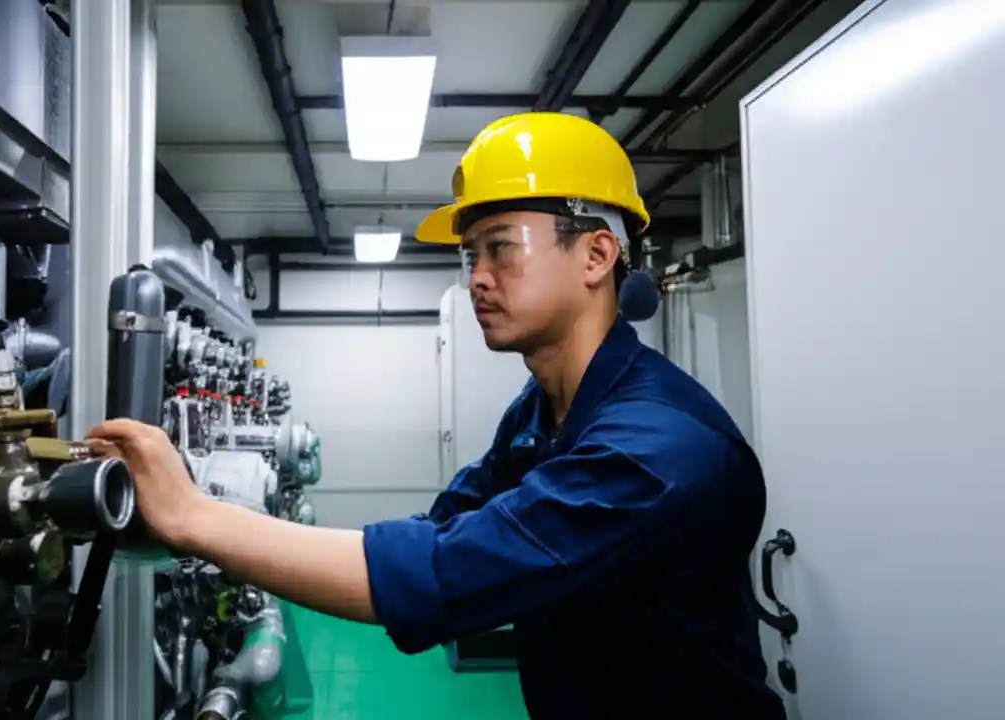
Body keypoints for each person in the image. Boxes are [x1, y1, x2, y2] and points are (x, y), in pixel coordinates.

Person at [89, 113, 786, 719]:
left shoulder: (655, 450)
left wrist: (194, 517)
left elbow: (441, 572)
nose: (476, 277)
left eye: (501, 247)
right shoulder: (544, 410)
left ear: (597, 254)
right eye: (469, 254)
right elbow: (444, 528)